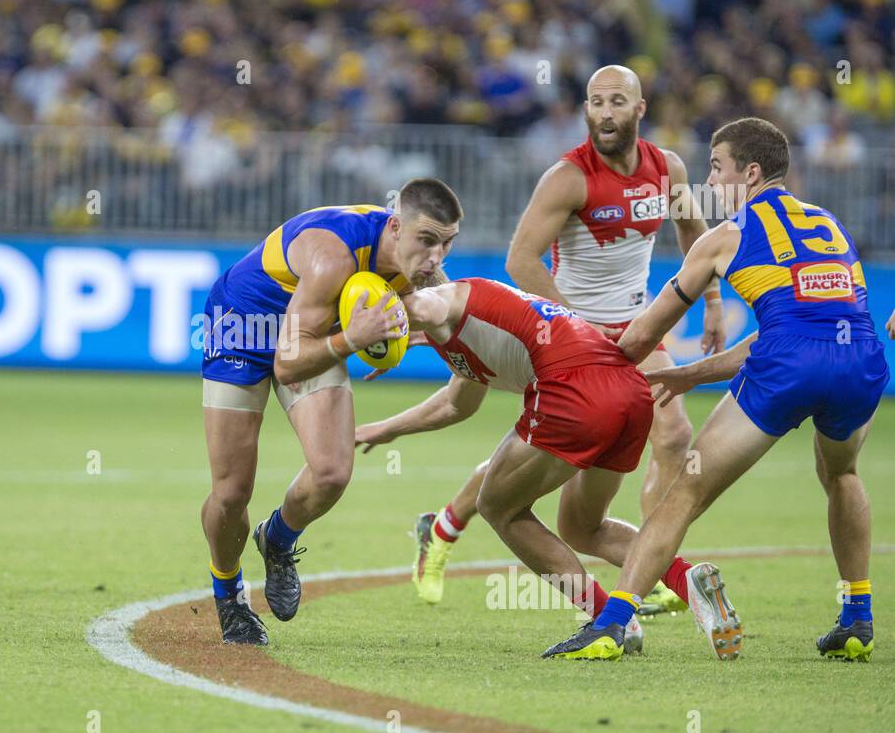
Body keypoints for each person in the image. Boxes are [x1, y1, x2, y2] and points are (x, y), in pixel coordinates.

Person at [544, 117, 888, 661]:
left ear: (750, 173)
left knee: (682, 492)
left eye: (716, 166)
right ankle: (857, 619)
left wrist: (582, 369)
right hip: (862, 362)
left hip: (787, 369)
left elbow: (643, 332)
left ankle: (612, 623)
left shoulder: (724, 237)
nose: (709, 179)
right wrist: (689, 374)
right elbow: (802, 326)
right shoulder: (829, 223)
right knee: (842, 474)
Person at [410, 65, 724, 612]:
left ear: (640, 109)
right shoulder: (568, 178)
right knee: (556, 451)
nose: (605, 112)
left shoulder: (666, 168)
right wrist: (573, 326)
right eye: (595, 102)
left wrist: (715, 301)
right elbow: (520, 259)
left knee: (671, 435)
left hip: (637, 329)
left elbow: (695, 235)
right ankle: (443, 527)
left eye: (617, 102)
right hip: (569, 335)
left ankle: (646, 559)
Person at [356, 276, 712, 656]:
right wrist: (386, 429)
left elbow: (421, 304)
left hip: (576, 392)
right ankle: (686, 579)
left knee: (496, 505)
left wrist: (360, 332)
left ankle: (604, 622)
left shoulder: (441, 301)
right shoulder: (462, 332)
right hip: (628, 391)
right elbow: (455, 404)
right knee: (584, 528)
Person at [200, 181, 461, 645]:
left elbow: (448, 308)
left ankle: (277, 539)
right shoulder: (334, 256)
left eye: (447, 243)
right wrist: (353, 340)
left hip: (312, 328)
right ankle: (230, 597)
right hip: (245, 321)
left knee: (332, 473)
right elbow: (286, 361)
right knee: (232, 491)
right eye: (427, 241)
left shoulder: (420, 264)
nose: (436, 257)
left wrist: (436, 338)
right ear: (396, 227)